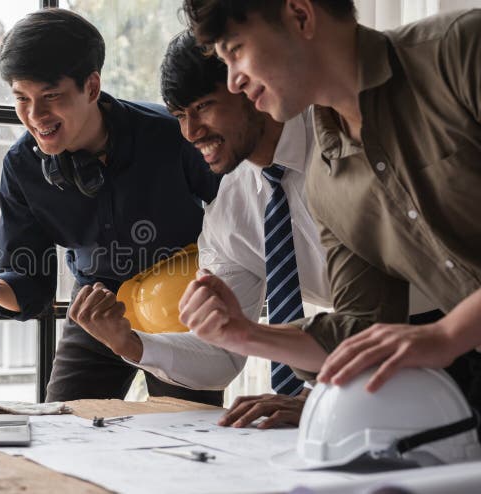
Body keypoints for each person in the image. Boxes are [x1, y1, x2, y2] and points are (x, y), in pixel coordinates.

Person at [70, 30, 438, 428]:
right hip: (370, 352)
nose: (191, 133)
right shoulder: (231, 211)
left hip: (451, 316)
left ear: (249, 87)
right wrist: (132, 343)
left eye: (204, 106)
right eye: (179, 116)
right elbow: (221, 356)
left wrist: (319, 395)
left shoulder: (343, 135)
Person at [179, 0, 481, 415]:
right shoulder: (324, 181)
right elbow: (364, 328)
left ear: (300, 15)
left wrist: (449, 334)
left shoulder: (461, 53)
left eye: (236, 51)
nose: (232, 82)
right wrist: (245, 333)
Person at [0, 9, 223, 404]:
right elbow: (30, 287)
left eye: (51, 97)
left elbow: (240, 207)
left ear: (91, 86)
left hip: (180, 307)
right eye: (22, 99)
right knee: (61, 429)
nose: (36, 117)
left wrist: (222, 288)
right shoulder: (23, 167)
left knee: (194, 434)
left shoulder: (171, 134)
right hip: (93, 308)